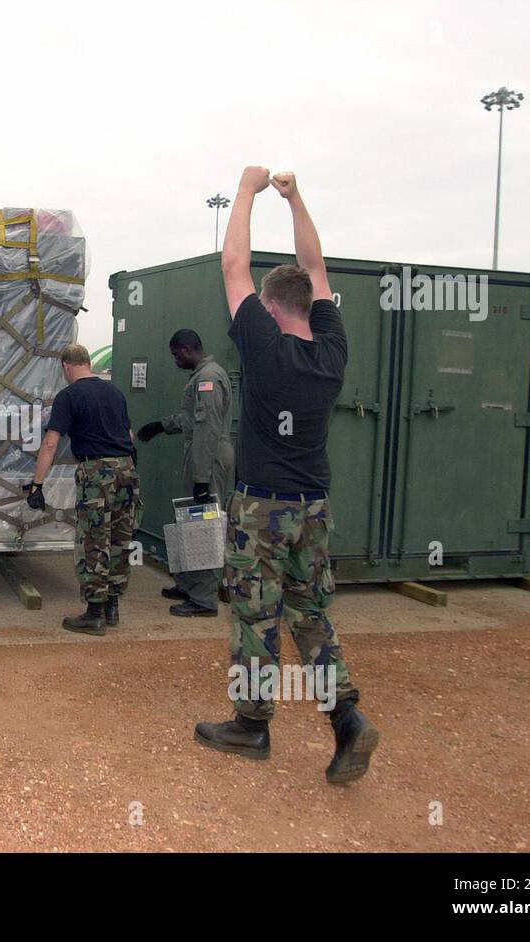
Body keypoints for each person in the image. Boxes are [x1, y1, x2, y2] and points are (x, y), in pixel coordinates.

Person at [193, 167, 379, 784]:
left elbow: (233, 268)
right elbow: (316, 267)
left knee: (254, 615)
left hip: (262, 508)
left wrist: (245, 192)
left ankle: (252, 725)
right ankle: (347, 719)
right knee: (312, 614)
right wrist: (295, 196)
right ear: (309, 307)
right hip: (314, 508)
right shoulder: (332, 350)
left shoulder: (266, 349)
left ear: (270, 308)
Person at [25, 343, 141, 636]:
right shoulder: (114, 392)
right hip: (126, 469)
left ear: (66, 367)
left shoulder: (69, 396)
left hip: (96, 472)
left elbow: (51, 443)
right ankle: (113, 605)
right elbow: (129, 434)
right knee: (120, 538)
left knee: (93, 539)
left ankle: (94, 613)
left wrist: (37, 485)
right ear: (88, 363)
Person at [137, 328, 233, 617]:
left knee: (203, 525)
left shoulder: (207, 379)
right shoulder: (203, 376)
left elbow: (207, 429)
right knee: (188, 520)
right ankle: (188, 584)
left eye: (176, 355)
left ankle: (203, 599)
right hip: (203, 453)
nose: (175, 360)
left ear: (187, 350)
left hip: (209, 455)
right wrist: (160, 426)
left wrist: (201, 478)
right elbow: (192, 419)